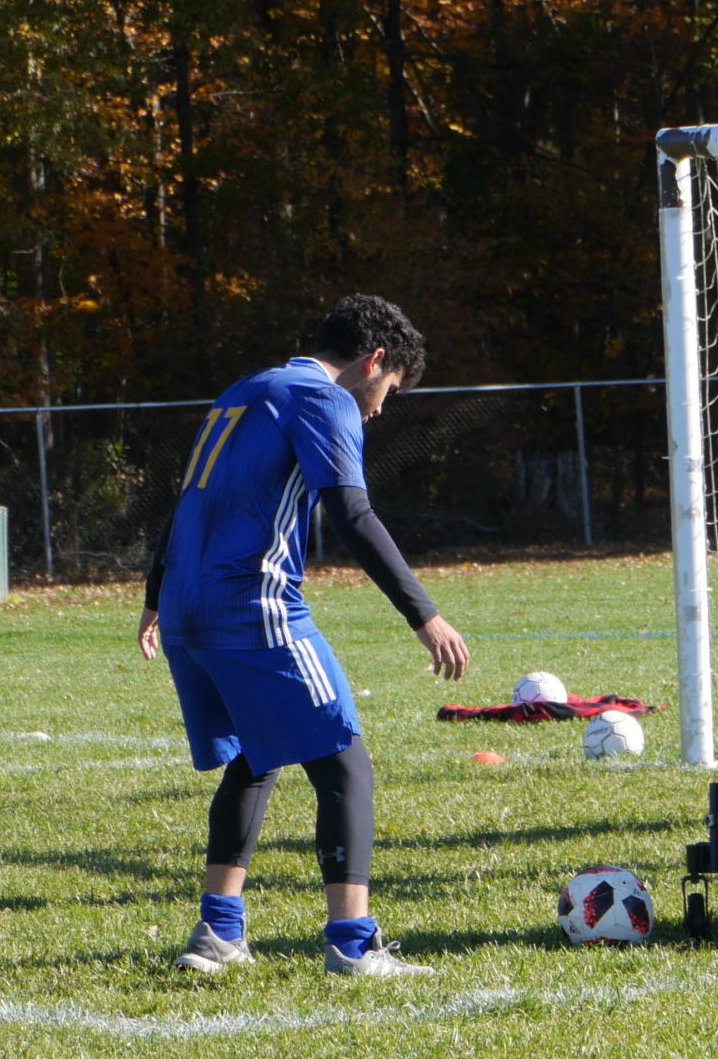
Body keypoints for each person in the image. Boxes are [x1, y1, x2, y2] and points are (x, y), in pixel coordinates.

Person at [138, 294, 471, 977]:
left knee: (256, 758)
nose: (379, 408)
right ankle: (353, 943)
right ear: (373, 361)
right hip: (250, 605)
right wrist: (423, 613)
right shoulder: (325, 399)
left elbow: (188, 500)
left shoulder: (247, 387)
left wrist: (154, 597)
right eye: (388, 389)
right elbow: (351, 511)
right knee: (344, 761)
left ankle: (218, 933)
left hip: (185, 603)